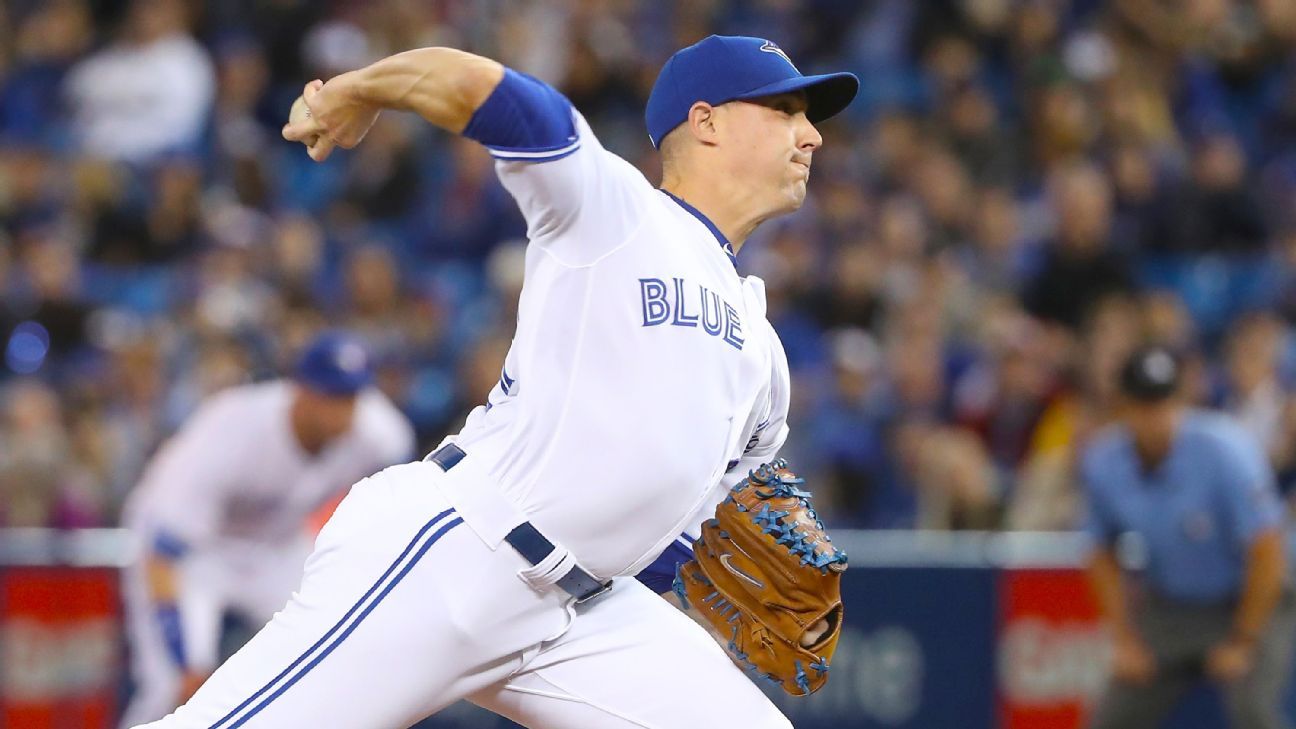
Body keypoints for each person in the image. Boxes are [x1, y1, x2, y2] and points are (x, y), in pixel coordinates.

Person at [134, 34, 857, 728]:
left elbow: (679, 540)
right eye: (785, 111)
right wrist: (359, 90)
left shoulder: (763, 355)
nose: (811, 136)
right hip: (459, 555)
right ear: (706, 122)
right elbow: (496, 95)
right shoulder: (619, 212)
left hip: (583, 617)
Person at [120, 331, 414, 727]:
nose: (342, 411)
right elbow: (163, 555)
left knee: (327, 665)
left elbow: (401, 506)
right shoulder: (232, 429)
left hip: (278, 547)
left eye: (351, 397)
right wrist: (182, 658)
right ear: (301, 390)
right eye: (331, 396)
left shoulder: (379, 433)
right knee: (173, 690)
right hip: (193, 554)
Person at [1082, 345, 1296, 729]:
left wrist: (1243, 640)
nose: (1156, 417)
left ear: (1180, 399)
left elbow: (1267, 550)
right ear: (1124, 406)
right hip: (1172, 607)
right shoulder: (1104, 462)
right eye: (1144, 404)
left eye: (1164, 402)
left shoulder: (1225, 450)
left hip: (1252, 600)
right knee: (1111, 718)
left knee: (1253, 712)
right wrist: (1124, 638)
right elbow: (1100, 553)